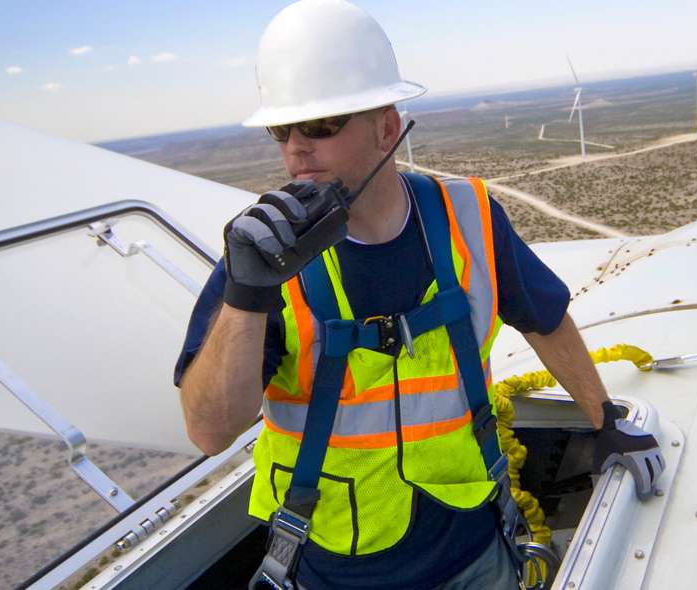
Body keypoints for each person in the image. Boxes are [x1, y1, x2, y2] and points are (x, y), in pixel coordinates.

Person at [173, 1, 664, 588]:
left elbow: (546, 319)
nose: (296, 149)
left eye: (321, 126)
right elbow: (209, 431)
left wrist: (603, 417)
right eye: (283, 130)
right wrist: (246, 294)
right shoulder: (262, 257)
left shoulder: (469, 216)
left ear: (387, 127)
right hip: (334, 567)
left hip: (475, 545)